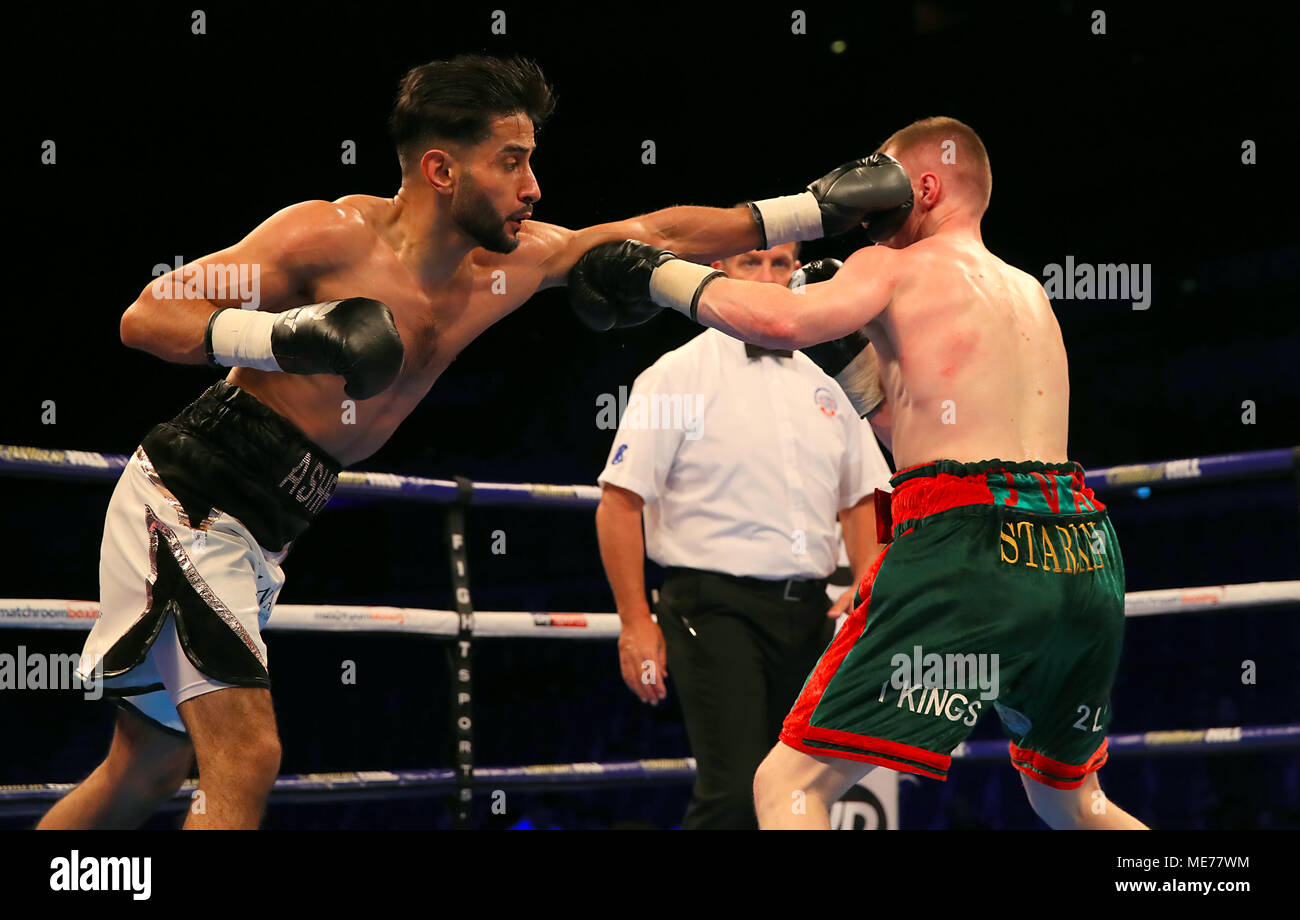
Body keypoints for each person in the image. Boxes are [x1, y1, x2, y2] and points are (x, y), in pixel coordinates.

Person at [37, 54, 913, 830]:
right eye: (513, 161)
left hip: (269, 524)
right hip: (191, 495)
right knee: (246, 759)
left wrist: (813, 208)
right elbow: (148, 315)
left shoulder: (514, 262)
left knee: (145, 768)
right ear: (441, 167)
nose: (534, 186)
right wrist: (294, 336)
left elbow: (659, 232)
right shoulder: (326, 234)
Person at [567, 116, 1148, 830]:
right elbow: (919, 421)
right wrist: (855, 363)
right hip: (1081, 548)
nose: (863, 215)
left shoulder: (895, 265)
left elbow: (779, 323)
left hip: (969, 543)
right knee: (1072, 800)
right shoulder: (1027, 290)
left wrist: (657, 273)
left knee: (787, 785)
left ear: (922, 187)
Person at [595, 244, 890, 829]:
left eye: (781, 263)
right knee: (734, 793)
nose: (767, 276)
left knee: (798, 793)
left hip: (809, 614)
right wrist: (635, 622)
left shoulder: (831, 374)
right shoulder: (676, 374)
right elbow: (620, 502)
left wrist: (866, 591)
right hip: (712, 607)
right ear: (718, 271)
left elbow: (867, 496)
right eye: (751, 261)